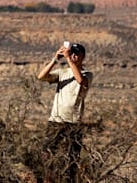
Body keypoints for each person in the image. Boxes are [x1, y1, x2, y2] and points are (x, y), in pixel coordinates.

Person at [37, 42, 93, 182]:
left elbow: (80, 80)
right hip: (56, 120)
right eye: (71, 53)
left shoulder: (87, 74)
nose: (73, 55)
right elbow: (41, 77)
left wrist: (68, 60)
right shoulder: (62, 73)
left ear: (82, 56)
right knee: (47, 152)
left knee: (72, 157)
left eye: (76, 54)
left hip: (73, 122)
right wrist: (55, 59)